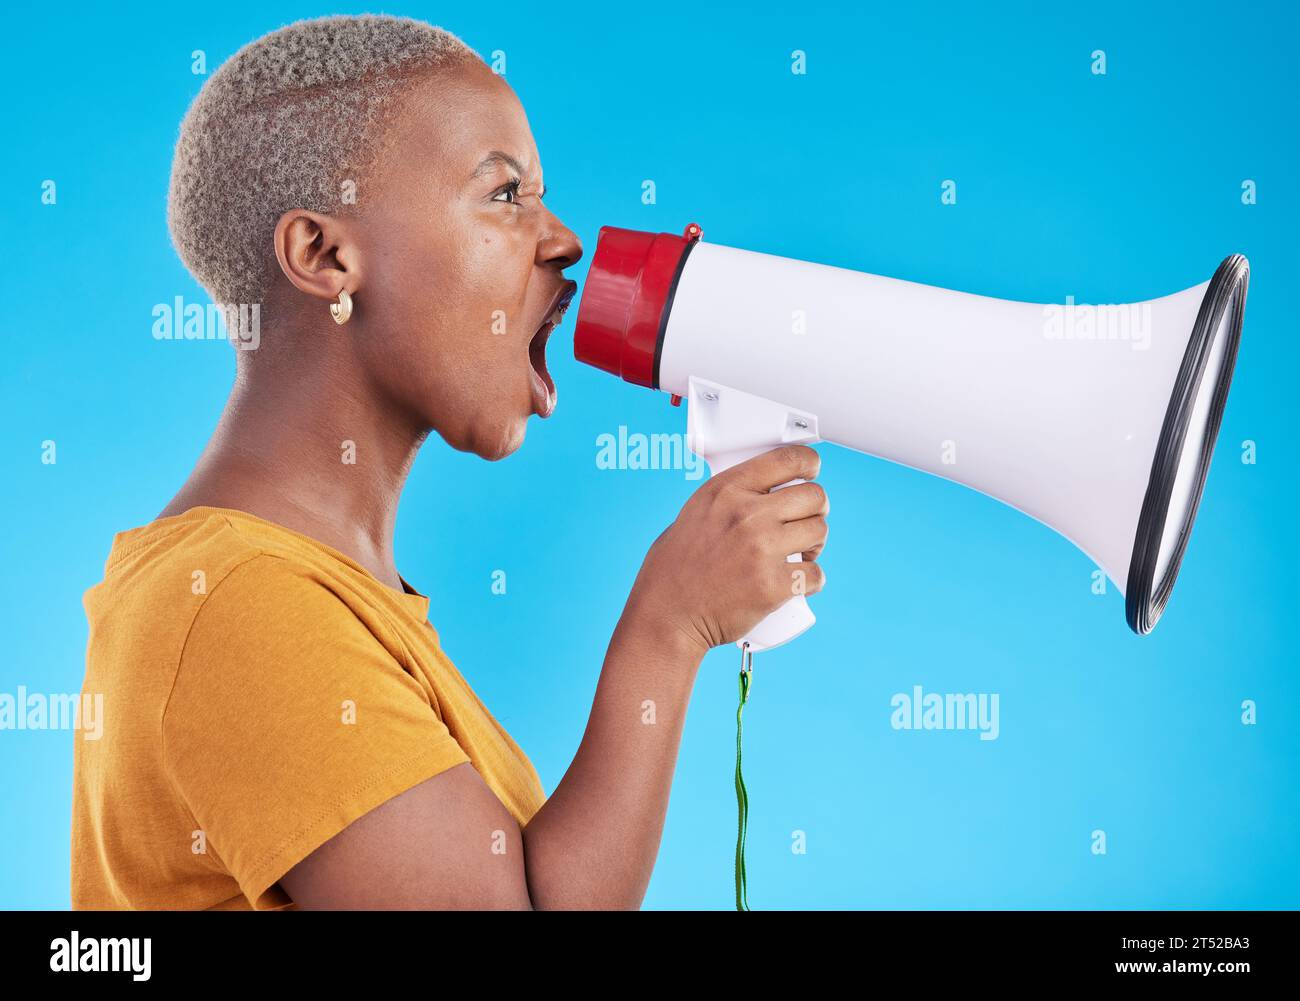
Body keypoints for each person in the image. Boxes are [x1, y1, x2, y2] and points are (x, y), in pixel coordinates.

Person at [70, 14, 829, 910]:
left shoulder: (334, 596)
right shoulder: (237, 603)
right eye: (505, 194)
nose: (565, 240)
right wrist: (669, 626)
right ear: (325, 255)